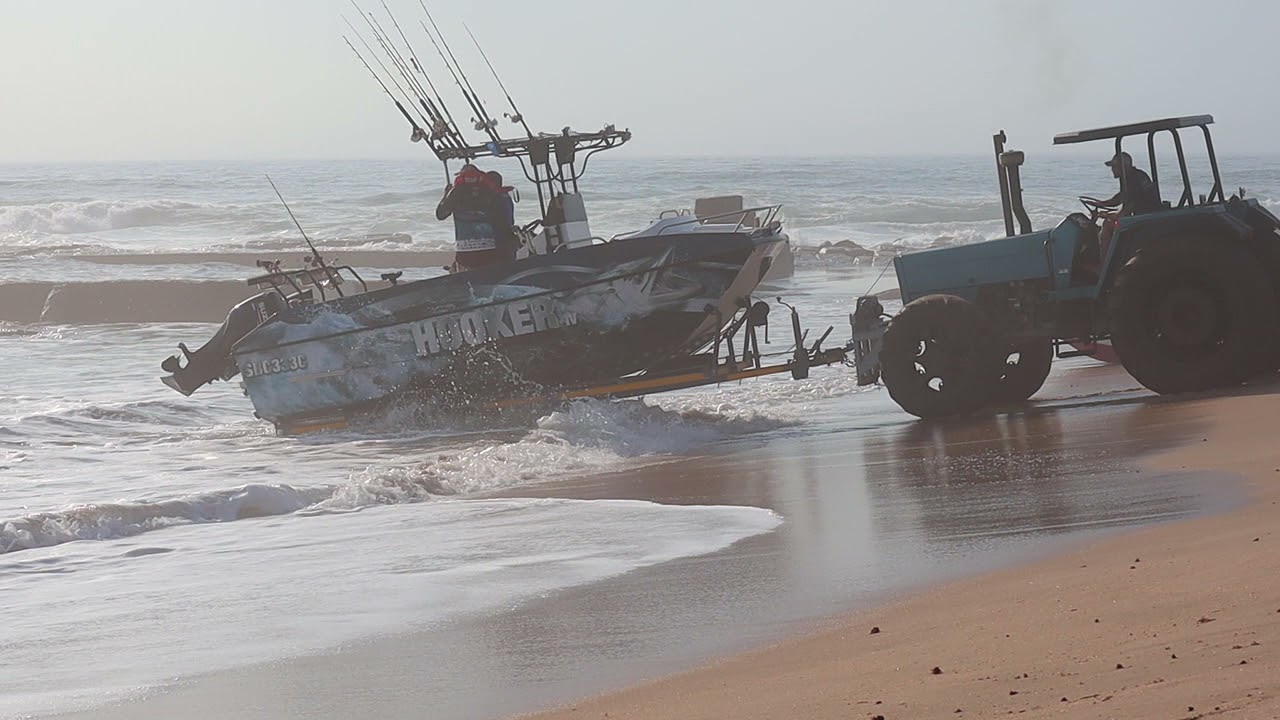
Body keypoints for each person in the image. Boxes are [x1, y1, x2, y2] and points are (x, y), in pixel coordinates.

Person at [435, 164, 513, 271]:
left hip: (465, 252)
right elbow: (504, 220)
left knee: (468, 282)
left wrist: (446, 195)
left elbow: (440, 214)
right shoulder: (489, 191)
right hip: (490, 250)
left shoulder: (455, 192)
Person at [1096, 151, 1162, 217]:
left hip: (1147, 216)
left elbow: (1131, 204)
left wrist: (1114, 216)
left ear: (1124, 166)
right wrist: (1102, 203)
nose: (1112, 169)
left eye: (1114, 166)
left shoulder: (1135, 178)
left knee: (1109, 223)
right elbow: (1121, 197)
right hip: (1143, 214)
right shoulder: (1128, 177)